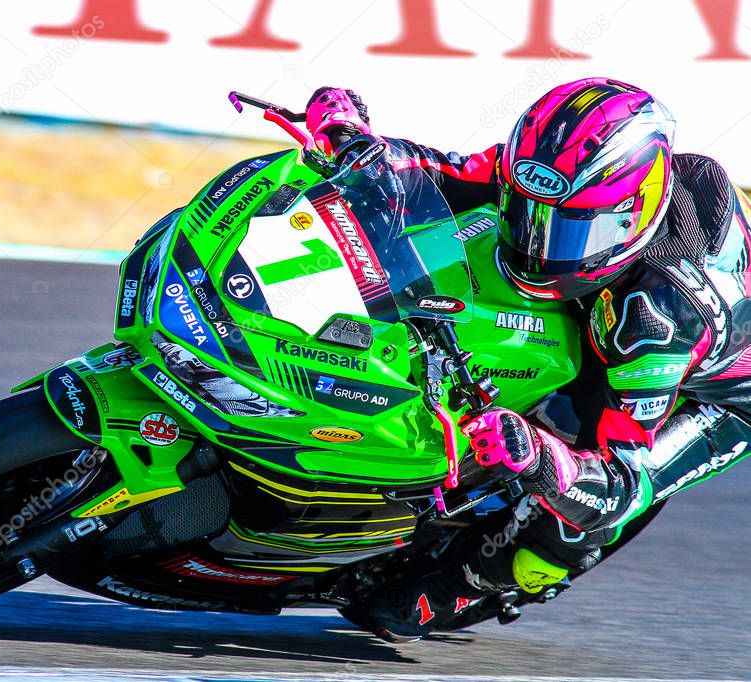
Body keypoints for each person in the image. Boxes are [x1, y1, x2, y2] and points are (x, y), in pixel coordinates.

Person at [304, 81, 751, 641]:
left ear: (630, 218)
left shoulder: (657, 318)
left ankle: (475, 579)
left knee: (562, 529)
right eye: (527, 213)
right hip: (610, 303)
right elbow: (442, 173)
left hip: (719, 395)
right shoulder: (552, 171)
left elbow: (619, 481)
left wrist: (542, 458)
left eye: (569, 230)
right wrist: (354, 142)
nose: (538, 247)